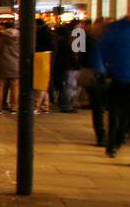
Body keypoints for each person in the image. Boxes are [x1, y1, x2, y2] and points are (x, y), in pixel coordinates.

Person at [91, 13, 130, 158]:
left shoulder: (114, 30)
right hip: (116, 78)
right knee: (114, 113)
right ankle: (112, 141)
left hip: (115, 77)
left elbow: (98, 52)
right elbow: (98, 52)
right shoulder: (115, 29)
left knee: (117, 114)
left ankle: (114, 141)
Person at [84, 18, 110, 146]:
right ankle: (102, 136)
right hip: (96, 77)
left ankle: (103, 135)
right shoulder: (85, 38)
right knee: (99, 108)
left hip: (101, 76)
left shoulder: (88, 39)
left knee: (100, 108)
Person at [53, 18, 81, 113]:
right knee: (69, 85)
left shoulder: (66, 37)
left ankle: (64, 103)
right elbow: (74, 53)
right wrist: (78, 64)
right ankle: (66, 105)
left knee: (66, 85)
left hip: (65, 65)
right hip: (70, 65)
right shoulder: (74, 37)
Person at [33, 18, 54, 113]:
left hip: (41, 59)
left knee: (40, 84)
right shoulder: (48, 33)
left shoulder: (41, 34)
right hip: (46, 59)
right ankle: (45, 106)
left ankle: (36, 106)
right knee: (43, 84)